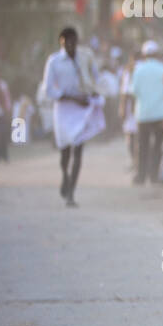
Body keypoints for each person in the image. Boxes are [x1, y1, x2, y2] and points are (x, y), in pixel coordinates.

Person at [42, 27, 105, 204]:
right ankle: (65, 176)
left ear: (77, 41)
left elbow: (95, 78)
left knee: (78, 149)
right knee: (64, 152)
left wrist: (92, 93)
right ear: (61, 42)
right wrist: (70, 97)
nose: (70, 44)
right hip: (64, 108)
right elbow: (48, 89)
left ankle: (71, 193)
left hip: (82, 108)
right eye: (66, 41)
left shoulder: (86, 57)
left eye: (73, 41)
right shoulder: (54, 61)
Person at [130, 41, 163, 184]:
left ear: (144, 54)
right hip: (161, 113)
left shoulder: (138, 70)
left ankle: (141, 176)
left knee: (143, 146)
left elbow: (134, 92)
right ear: (157, 53)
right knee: (158, 146)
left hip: (143, 114)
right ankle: (154, 176)